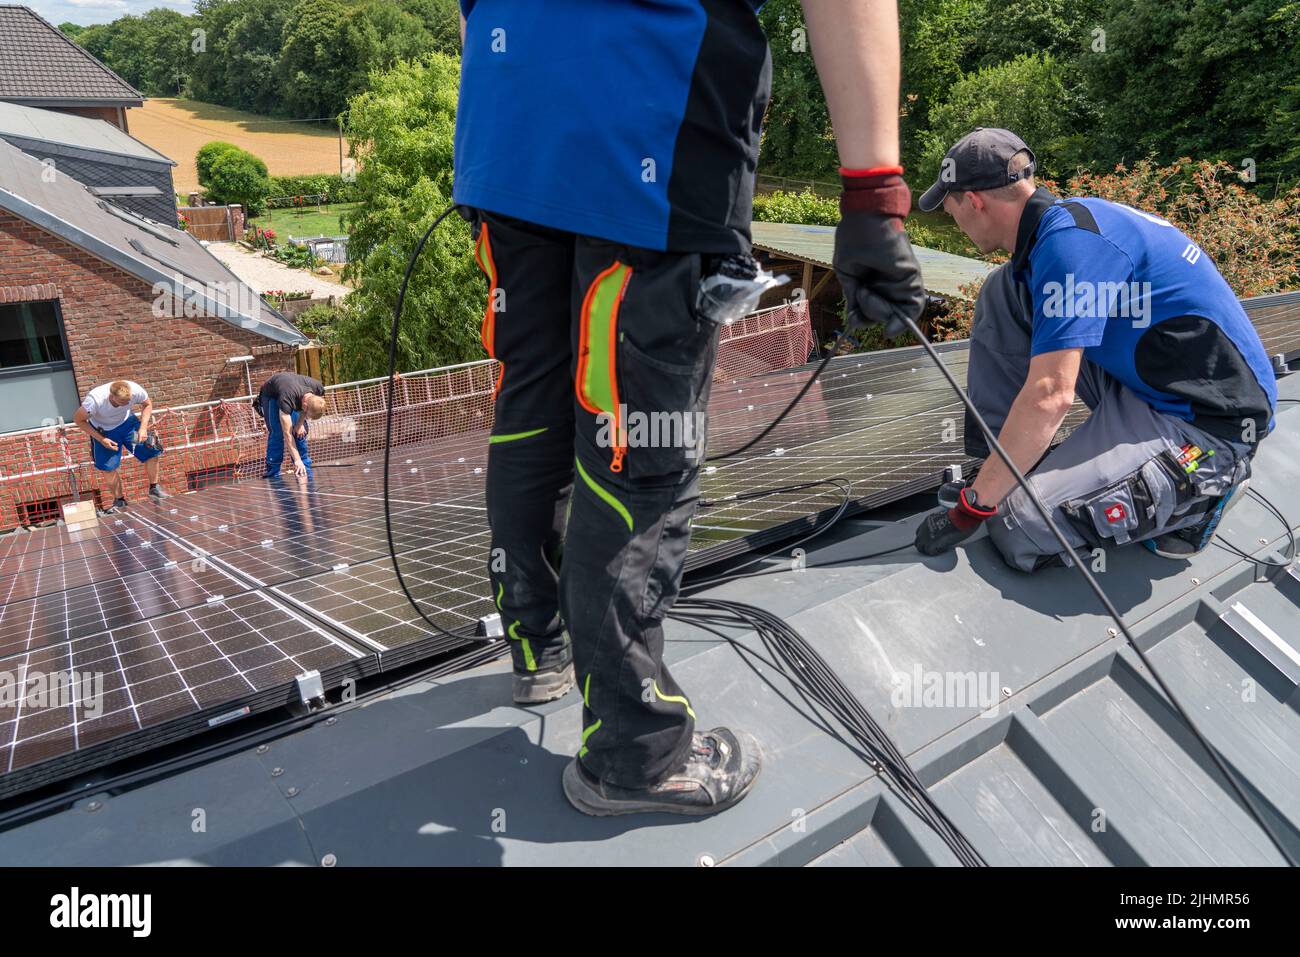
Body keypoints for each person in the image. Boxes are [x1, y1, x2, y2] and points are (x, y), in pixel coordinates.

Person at [454, 1, 925, 816]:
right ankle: (637, 752)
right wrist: (874, 193)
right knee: (638, 443)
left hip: (510, 134)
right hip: (652, 130)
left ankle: (537, 643)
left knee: (532, 405)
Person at [912, 128, 1277, 570]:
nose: (955, 222)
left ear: (974, 201)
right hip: (1151, 379)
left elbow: (1051, 394)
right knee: (1003, 290)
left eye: (950, 210)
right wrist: (995, 474)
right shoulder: (1060, 228)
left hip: (1208, 421)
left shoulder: (1071, 248)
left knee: (1017, 526)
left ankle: (1203, 495)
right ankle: (1003, 461)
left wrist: (974, 509)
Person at [74, 380, 168, 510]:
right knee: (107, 467)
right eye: (122, 402)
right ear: (111, 397)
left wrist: (143, 428)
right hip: (104, 432)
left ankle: (154, 488)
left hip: (129, 425)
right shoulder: (94, 400)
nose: (126, 404)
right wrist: (101, 439)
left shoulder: (135, 390)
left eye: (128, 402)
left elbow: (147, 404)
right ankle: (119, 500)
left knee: (152, 449)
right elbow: (78, 420)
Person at [256, 371, 326, 479]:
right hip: (271, 394)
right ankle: (273, 470)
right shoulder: (287, 398)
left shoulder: (318, 388)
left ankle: (304, 464)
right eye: (307, 415)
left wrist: (300, 424)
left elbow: (306, 410)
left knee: (300, 431)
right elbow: (287, 434)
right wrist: (296, 460)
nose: (308, 418)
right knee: (277, 432)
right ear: (305, 405)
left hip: (292, 391)